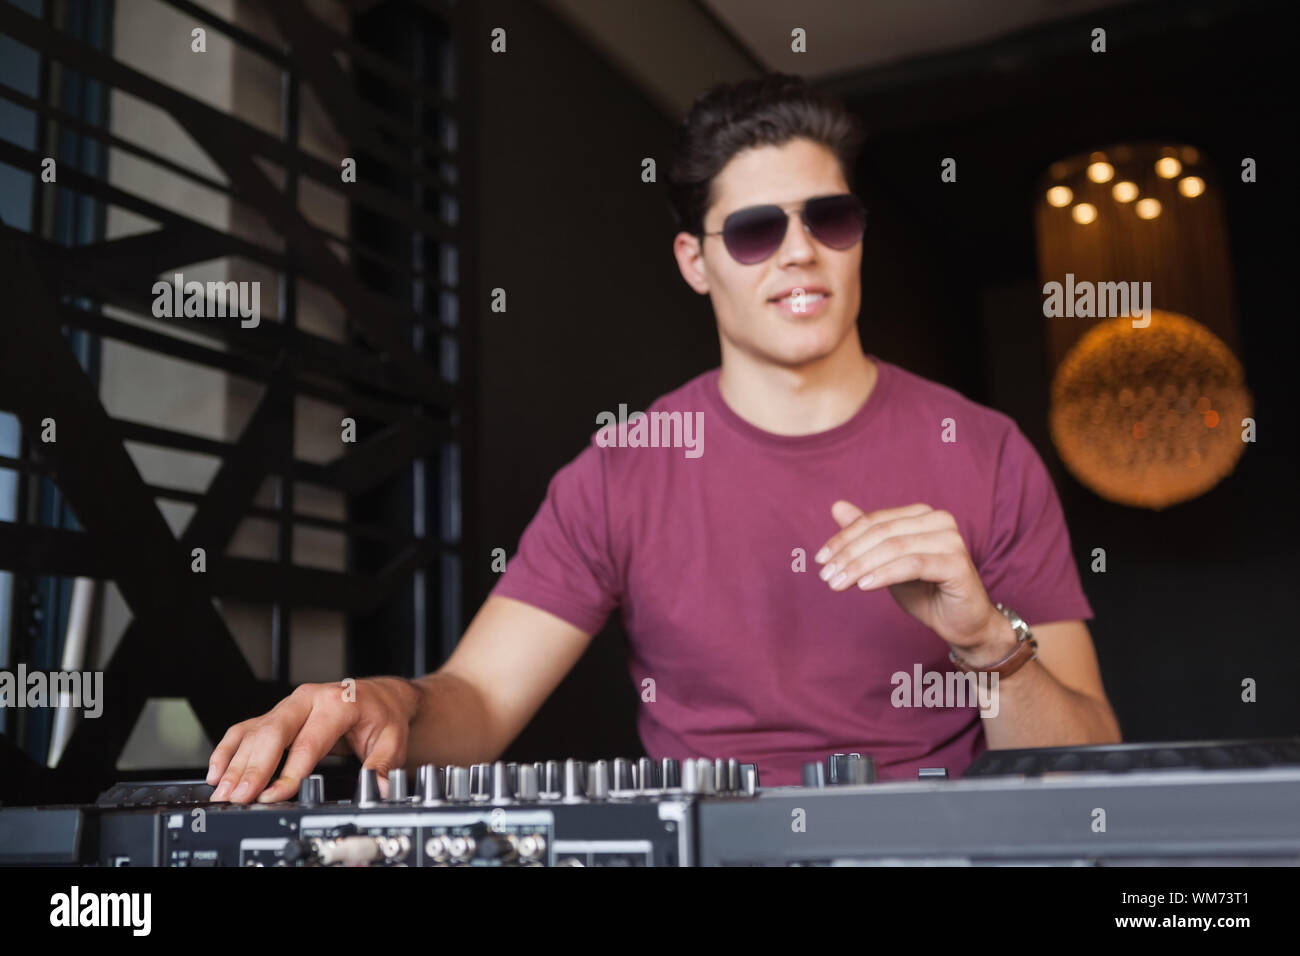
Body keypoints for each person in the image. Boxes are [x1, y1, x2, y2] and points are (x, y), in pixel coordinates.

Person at [206, 73, 1120, 804]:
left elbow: (1086, 767)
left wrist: (983, 641)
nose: (800, 252)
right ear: (697, 262)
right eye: (758, 230)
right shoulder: (619, 475)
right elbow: (478, 705)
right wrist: (378, 700)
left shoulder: (986, 451)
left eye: (828, 219)